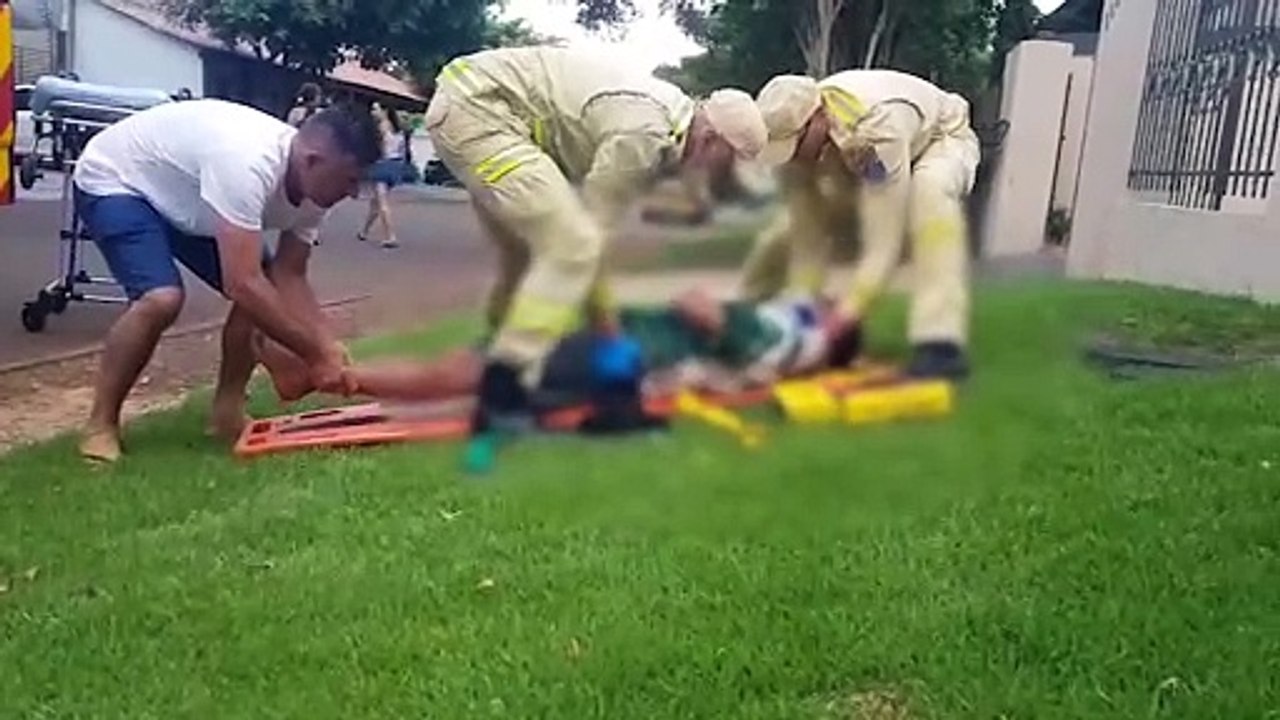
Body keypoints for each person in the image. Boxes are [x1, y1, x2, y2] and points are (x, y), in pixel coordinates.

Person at [422, 46, 770, 432]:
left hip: (476, 104)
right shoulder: (646, 138)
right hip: (482, 111)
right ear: (710, 140)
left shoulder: (669, 121)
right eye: (731, 161)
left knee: (523, 259)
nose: (728, 175)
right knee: (572, 246)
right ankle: (503, 394)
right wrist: (616, 362)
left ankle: (502, 371)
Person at [72, 98, 382, 462]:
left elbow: (290, 275)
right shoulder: (248, 163)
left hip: (190, 197)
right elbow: (242, 284)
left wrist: (326, 344)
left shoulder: (316, 193)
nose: (353, 193)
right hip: (119, 179)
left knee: (265, 287)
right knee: (161, 298)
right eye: (349, 180)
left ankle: (226, 413)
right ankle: (100, 425)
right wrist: (313, 353)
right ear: (313, 160)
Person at [743, 69, 981, 380]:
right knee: (783, 232)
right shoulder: (791, 142)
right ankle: (744, 321)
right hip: (842, 152)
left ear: (817, 116)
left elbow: (884, 245)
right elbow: (807, 239)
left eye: (795, 144)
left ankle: (939, 343)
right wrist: (801, 318)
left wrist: (843, 319)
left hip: (939, 138)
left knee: (930, 193)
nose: (791, 155)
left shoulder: (876, 128)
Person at [255, 288, 855, 406]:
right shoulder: (790, 331)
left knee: (462, 372)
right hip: (622, 349)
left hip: (625, 357)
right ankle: (317, 375)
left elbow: (701, 311)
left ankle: (314, 378)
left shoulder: (792, 338)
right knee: (466, 370)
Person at [357, 103, 407, 249]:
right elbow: (402, 150)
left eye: (375, 109)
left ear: (383, 111)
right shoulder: (398, 128)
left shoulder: (382, 127)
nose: (373, 112)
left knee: (382, 202)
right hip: (395, 165)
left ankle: (391, 236)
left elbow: (382, 148)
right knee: (375, 202)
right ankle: (364, 231)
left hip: (383, 165)